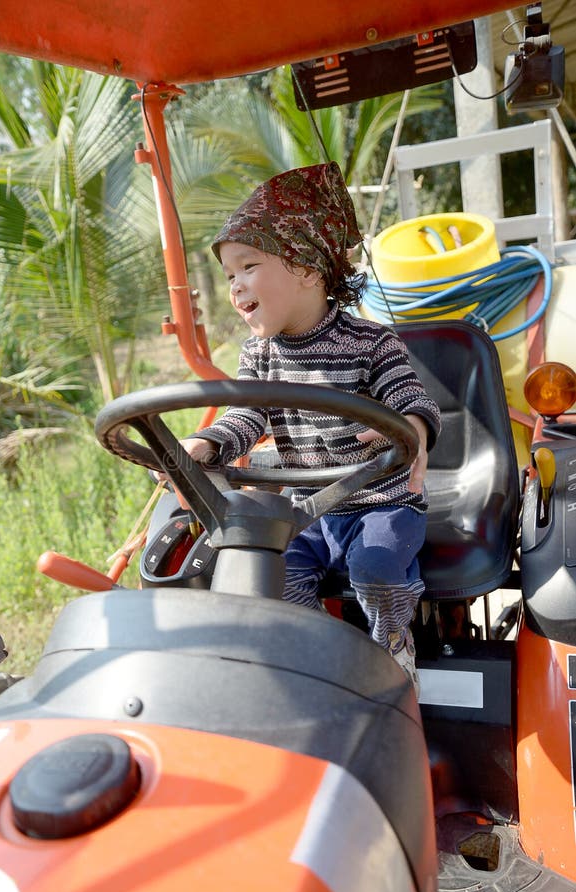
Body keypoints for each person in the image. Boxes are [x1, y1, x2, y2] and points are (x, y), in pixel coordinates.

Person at [181, 162, 441, 694]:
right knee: (277, 573)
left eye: (248, 266)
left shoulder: (372, 342)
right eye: (230, 275)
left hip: (382, 503)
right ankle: (325, 658)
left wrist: (406, 427)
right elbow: (247, 413)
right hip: (309, 509)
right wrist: (208, 442)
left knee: (374, 566)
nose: (235, 286)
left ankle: (393, 643)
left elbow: (413, 401)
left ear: (305, 266)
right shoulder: (259, 353)